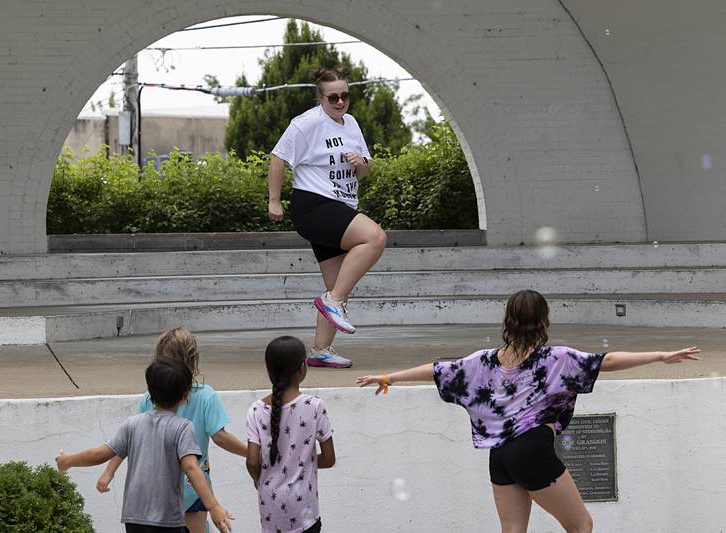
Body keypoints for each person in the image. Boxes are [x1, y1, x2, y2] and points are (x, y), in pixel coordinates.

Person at [357, 289, 700, 533]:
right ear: (544, 320)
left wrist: (389, 377)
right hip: (532, 449)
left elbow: (436, 369)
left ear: (508, 319)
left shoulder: (485, 361)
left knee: (512, 530)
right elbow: (606, 361)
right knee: (582, 526)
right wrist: (660, 355)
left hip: (500, 455)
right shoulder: (555, 359)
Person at [268, 65, 387, 368]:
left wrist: (361, 162)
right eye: (333, 97)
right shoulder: (306, 123)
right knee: (375, 238)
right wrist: (274, 201)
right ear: (320, 98)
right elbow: (278, 157)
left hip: (340, 206)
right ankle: (332, 303)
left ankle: (321, 349)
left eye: (345, 96)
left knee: (337, 283)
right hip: (314, 204)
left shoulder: (351, 124)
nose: (340, 102)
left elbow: (365, 170)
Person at [56, 360, 234, 533]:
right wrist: (214, 506)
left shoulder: (132, 424)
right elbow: (191, 467)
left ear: (149, 392)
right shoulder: (183, 427)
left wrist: (68, 460)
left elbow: (99, 454)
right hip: (167, 520)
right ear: (186, 394)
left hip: (135, 518)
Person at [97, 327, 247, 533]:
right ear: (193, 360)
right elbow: (220, 437)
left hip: (157, 496)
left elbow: (127, 441)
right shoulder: (206, 396)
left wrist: (108, 471)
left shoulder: (149, 398)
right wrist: (251, 452)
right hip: (193, 489)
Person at [246, 336, 336, 533]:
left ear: (268, 369)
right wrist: (300, 463)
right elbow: (329, 459)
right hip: (305, 511)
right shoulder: (315, 406)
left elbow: (252, 462)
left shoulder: (255, 410)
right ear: (303, 368)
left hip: (270, 510)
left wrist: (259, 479)